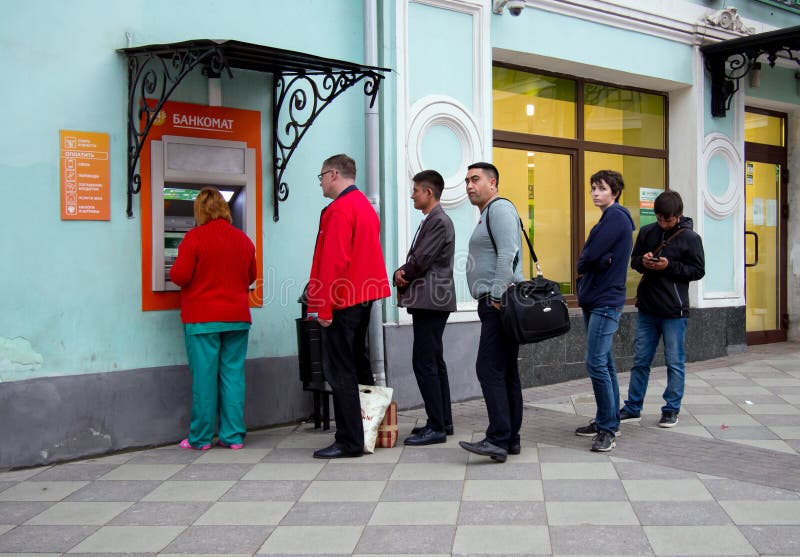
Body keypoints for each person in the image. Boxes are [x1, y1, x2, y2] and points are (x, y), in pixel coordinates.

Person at [307, 154, 391, 459]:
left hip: (343, 300)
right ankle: (368, 430)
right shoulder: (365, 207)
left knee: (339, 371)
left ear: (332, 175)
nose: (320, 184)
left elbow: (333, 262)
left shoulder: (340, 210)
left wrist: (323, 308)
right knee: (358, 365)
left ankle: (349, 440)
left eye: (320, 177)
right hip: (362, 297)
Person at [170, 187, 257, 451]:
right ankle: (233, 437)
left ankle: (201, 438)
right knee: (232, 376)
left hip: (203, 319)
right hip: (237, 318)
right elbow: (251, 277)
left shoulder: (194, 238)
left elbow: (179, 276)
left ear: (199, 211)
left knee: (205, 379)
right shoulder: (243, 240)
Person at [619, 190, 705, 428]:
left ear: (678, 215)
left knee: (674, 362)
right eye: (659, 218)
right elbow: (634, 260)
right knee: (640, 360)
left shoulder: (690, 238)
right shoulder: (647, 232)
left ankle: (671, 409)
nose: (663, 223)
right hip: (647, 307)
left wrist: (669, 266)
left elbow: (698, 271)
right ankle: (633, 406)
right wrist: (643, 261)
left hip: (674, 310)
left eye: (667, 220)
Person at [458, 162, 523, 463]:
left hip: (499, 303)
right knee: (505, 371)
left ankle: (498, 438)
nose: (469, 186)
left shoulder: (499, 209)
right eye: (467, 181)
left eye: (475, 180)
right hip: (497, 303)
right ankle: (510, 438)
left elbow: (508, 254)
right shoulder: (488, 214)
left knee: (489, 369)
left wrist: (496, 295)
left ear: (493, 183)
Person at [393, 170, 457, 446]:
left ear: (428, 192)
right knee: (434, 360)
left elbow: (421, 259)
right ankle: (443, 421)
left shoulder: (438, 221)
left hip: (432, 301)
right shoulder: (433, 220)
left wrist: (401, 273)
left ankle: (436, 426)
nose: (412, 195)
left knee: (424, 361)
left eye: (416, 190)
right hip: (432, 301)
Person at [575, 170, 635, 452]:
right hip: (596, 298)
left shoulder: (617, 217)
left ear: (615, 191)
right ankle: (606, 419)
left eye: (601, 188)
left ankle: (608, 428)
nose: (595, 193)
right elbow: (592, 257)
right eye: (593, 188)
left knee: (596, 362)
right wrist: (592, 260)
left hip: (605, 300)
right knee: (605, 362)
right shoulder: (609, 217)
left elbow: (588, 256)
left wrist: (590, 261)